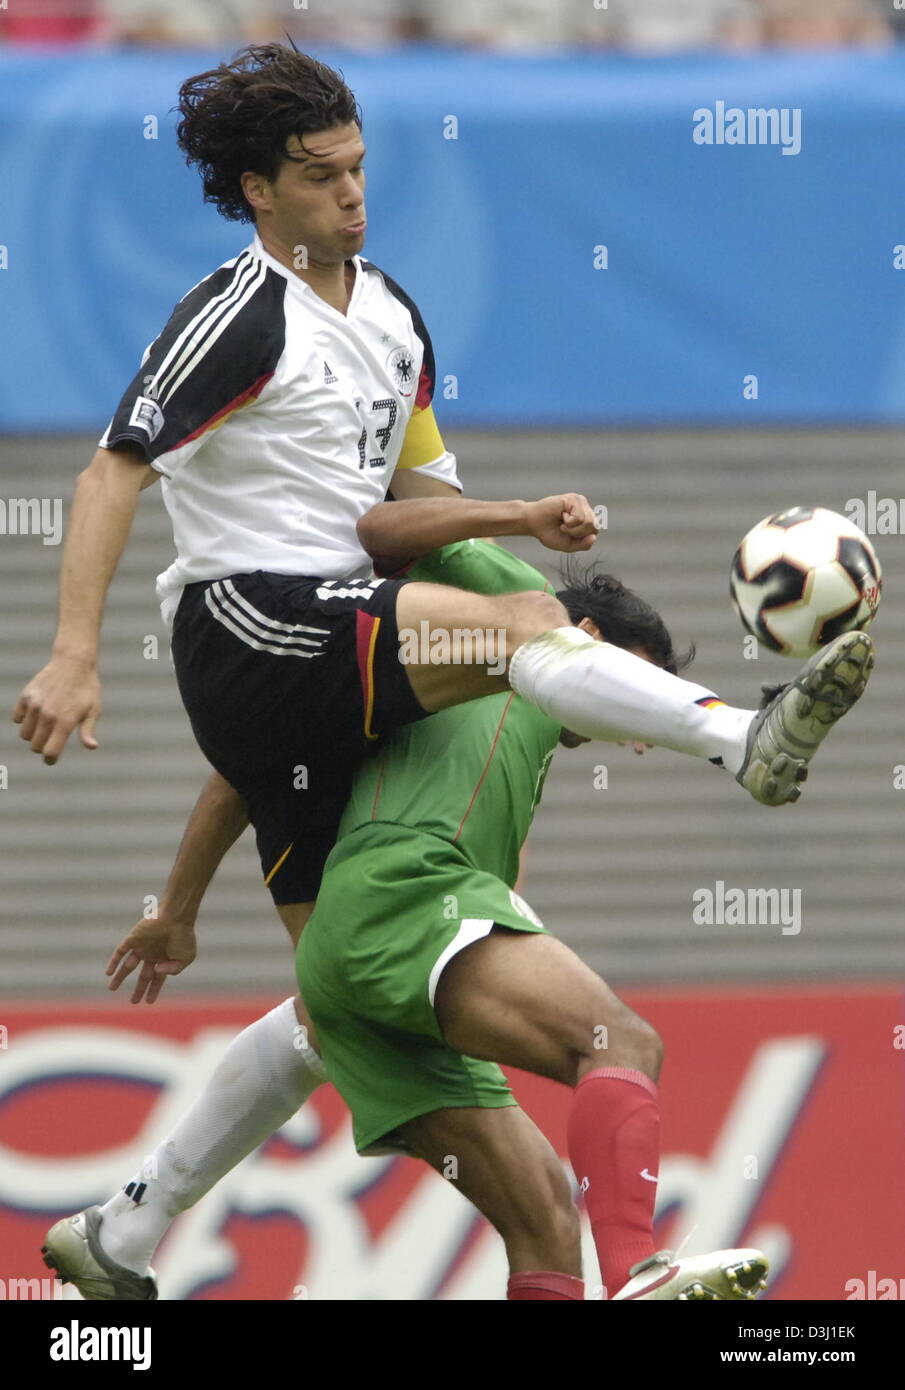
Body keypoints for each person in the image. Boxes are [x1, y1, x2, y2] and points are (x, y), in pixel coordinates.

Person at [13, 44, 874, 952]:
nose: (351, 195)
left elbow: (403, 519)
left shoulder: (393, 317)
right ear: (258, 191)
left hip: (328, 648)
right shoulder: (236, 317)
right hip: (246, 622)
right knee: (523, 622)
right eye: (320, 176)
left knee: (350, 998)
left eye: (357, 168)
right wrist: (75, 654)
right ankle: (743, 739)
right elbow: (110, 472)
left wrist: (516, 514)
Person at [43, 537, 770, 1301]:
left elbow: (243, 767)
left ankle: (127, 1224)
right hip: (392, 904)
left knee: (545, 1217)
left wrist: (179, 911)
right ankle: (638, 1276)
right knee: (619, 1041)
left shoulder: (507, 746)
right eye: (638, 683)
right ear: (583, 641)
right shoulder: (503, 627)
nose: (641, 731)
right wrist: (515, 513)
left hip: (355, 981)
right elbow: (398, 518)